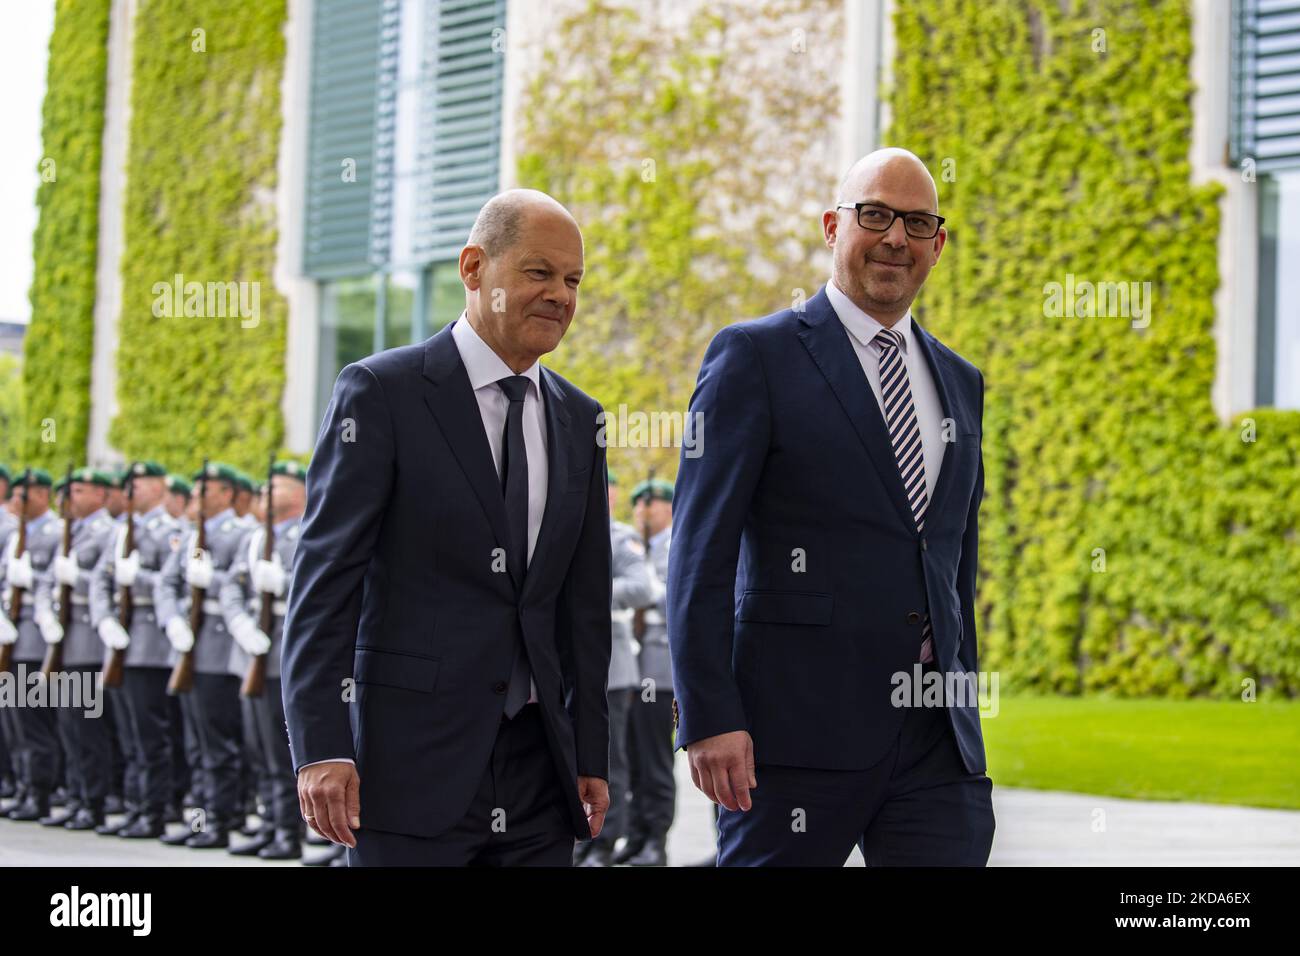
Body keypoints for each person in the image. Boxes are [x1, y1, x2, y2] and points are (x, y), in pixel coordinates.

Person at [668, 148, 995, 866]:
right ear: (831, 226)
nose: (895, 238)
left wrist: (964, 697)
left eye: (917, 223)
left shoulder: (961, 383)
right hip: (791, 740)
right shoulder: (754, 357)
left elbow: (951, 561)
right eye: (873, 215)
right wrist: (708, 716)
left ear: (937, 246)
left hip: (937, 745)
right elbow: (698, 554)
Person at [282, 188, 613, 866]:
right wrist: (320, 746)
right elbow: (324, 587)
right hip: (408, 769)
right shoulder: (381, 394)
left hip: (541, 779)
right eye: (539, 272)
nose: (560, 294)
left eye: (573, 280)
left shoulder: (581, 420)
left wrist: (589, 753)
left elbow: (584, 607)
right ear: (473, 269)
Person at [155, 462, 249, 848]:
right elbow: (166, 583)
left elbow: (248, 582)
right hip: (189, 646)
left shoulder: (241, 533)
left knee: (217, 744)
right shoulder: (192, 534)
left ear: (226, 493)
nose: (196, 499)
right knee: (195, 745)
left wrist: (215, 580)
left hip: (218, 647)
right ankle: (200, 821)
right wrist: (173, 621)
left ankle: (222, 820)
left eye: (204, 491)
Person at [90, 460, 185, 838]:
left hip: (150, 643)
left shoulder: (170, 531)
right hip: (120, 641)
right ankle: (134, 807)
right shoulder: (121, 531)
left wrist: (138, 578)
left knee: (150, 736)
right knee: (128, 735)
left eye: (141, 483)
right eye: (130, 483)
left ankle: (153, 811)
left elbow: (170, 583)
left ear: (160, 487)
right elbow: (100, 578)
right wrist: (104, 619)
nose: (133, 490)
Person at [219, 460, 309, 860]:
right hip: (251, 654)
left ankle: (288, 832)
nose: (266, 493)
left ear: (299, 492)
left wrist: (285, 584)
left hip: (280, 655)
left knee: (279, 750)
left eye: (277, 486)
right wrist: (239, 623)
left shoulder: (306, 530)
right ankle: (270, 824)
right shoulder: (256, 538)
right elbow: (231, 586)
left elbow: (314, 588)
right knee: (257, 748)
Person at [575, 467, 656, 867]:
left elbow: (643, 587)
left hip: (614, 671)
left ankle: (605, 843)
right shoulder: (565, 530)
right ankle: (583, 841)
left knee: (609, 762)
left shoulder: (618, 537)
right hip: (572, 669)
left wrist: (587, 595)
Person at [616, 478, 675, 866]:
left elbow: (679, 597)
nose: (643, 512)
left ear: (669, 507)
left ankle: (656, 839)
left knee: (654, 758)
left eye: (651, 504)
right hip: (634, 667)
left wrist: (650, 592)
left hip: (659, 662)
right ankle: (636, 835)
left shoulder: (676, 544)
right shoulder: (639, 547)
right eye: (638, 506)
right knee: (633, 755)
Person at [1, 470, 62, 821]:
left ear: (42, 495)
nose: (16, 503)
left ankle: (40, 791)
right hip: (11, 633)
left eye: (24, 496)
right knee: (15, 722)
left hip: (37, 639)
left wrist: (33, 579)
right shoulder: (15, 534)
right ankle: (24, 786)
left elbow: (56, 582)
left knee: (33, 721)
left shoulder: (55, 532)